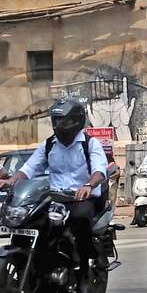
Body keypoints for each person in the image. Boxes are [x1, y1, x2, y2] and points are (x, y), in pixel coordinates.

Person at [13, 98, 111, 266]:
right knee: (33, 221)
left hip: (82, 198)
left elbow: (99, 171)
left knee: (79, 219)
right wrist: (11, 180)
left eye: (64, 121)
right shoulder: (48, 145)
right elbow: (28, 169)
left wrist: (88, 185)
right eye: (56, 120)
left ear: (77, 121)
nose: (59, 125)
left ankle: (84, 267)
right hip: (55, 198)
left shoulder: (90, 144)